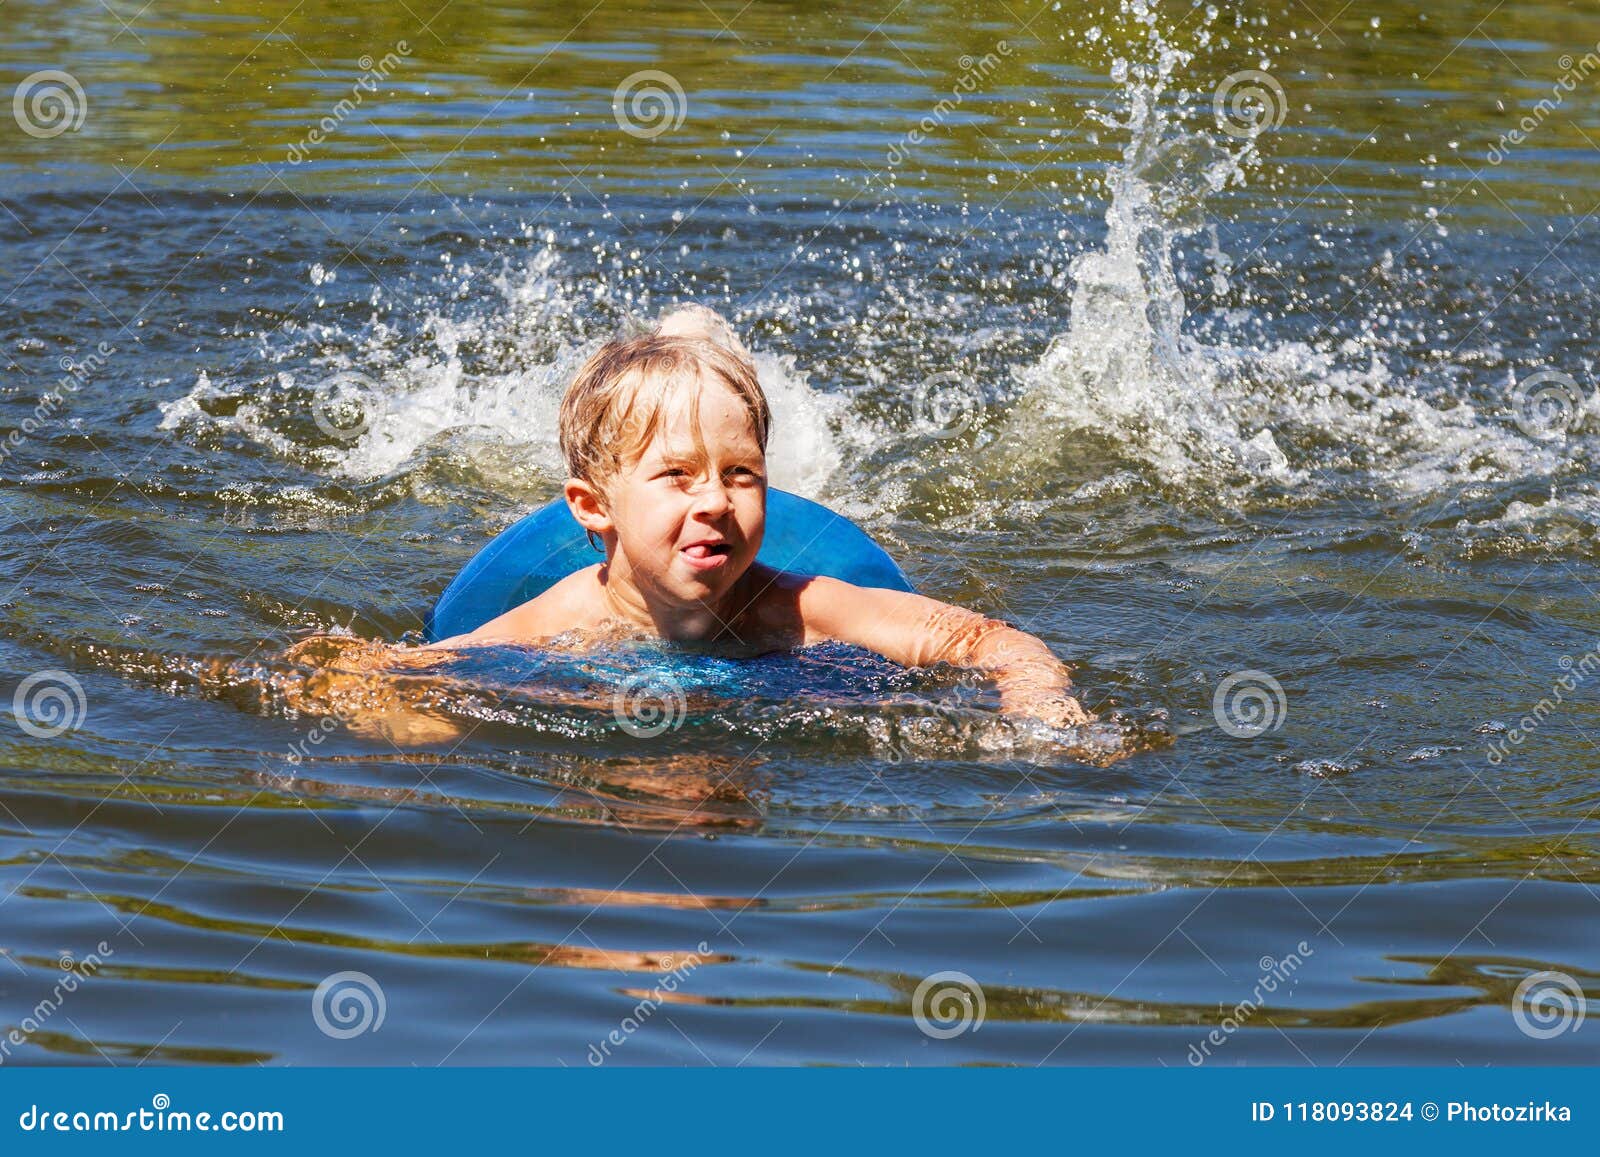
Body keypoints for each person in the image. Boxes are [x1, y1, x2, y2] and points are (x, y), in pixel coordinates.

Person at [425, 305, 1095, 731]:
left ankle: (693, 351)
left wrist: (1036, 697)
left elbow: (982, 638)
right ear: (594, 506)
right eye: (677, 475)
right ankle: (683, 342)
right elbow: (402, 683)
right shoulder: (550, 623)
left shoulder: (802, 609)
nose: (716, 501)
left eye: (741, 473)